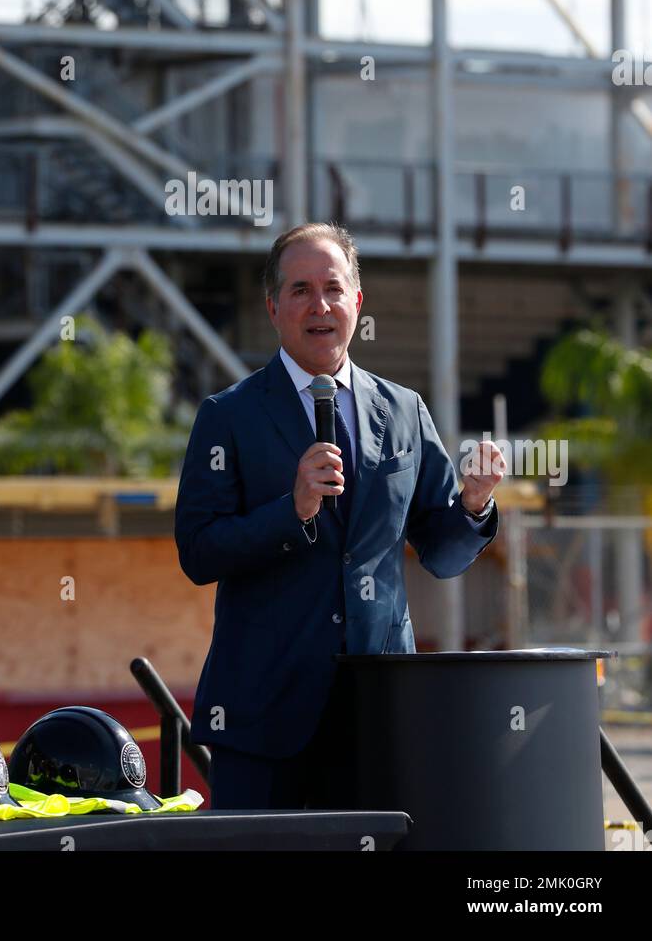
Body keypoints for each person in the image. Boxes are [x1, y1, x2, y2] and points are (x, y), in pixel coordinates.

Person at [175, 221, 504, 810]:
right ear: (273, 307)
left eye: (332, 287)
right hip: (264, 720)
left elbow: (442, 553)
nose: (319, 304)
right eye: (300, 290)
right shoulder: (228, 417)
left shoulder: (404, 410)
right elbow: (199, 552)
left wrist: (473, 505)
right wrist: (292, 511)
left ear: (357, 301)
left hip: (380, 713)